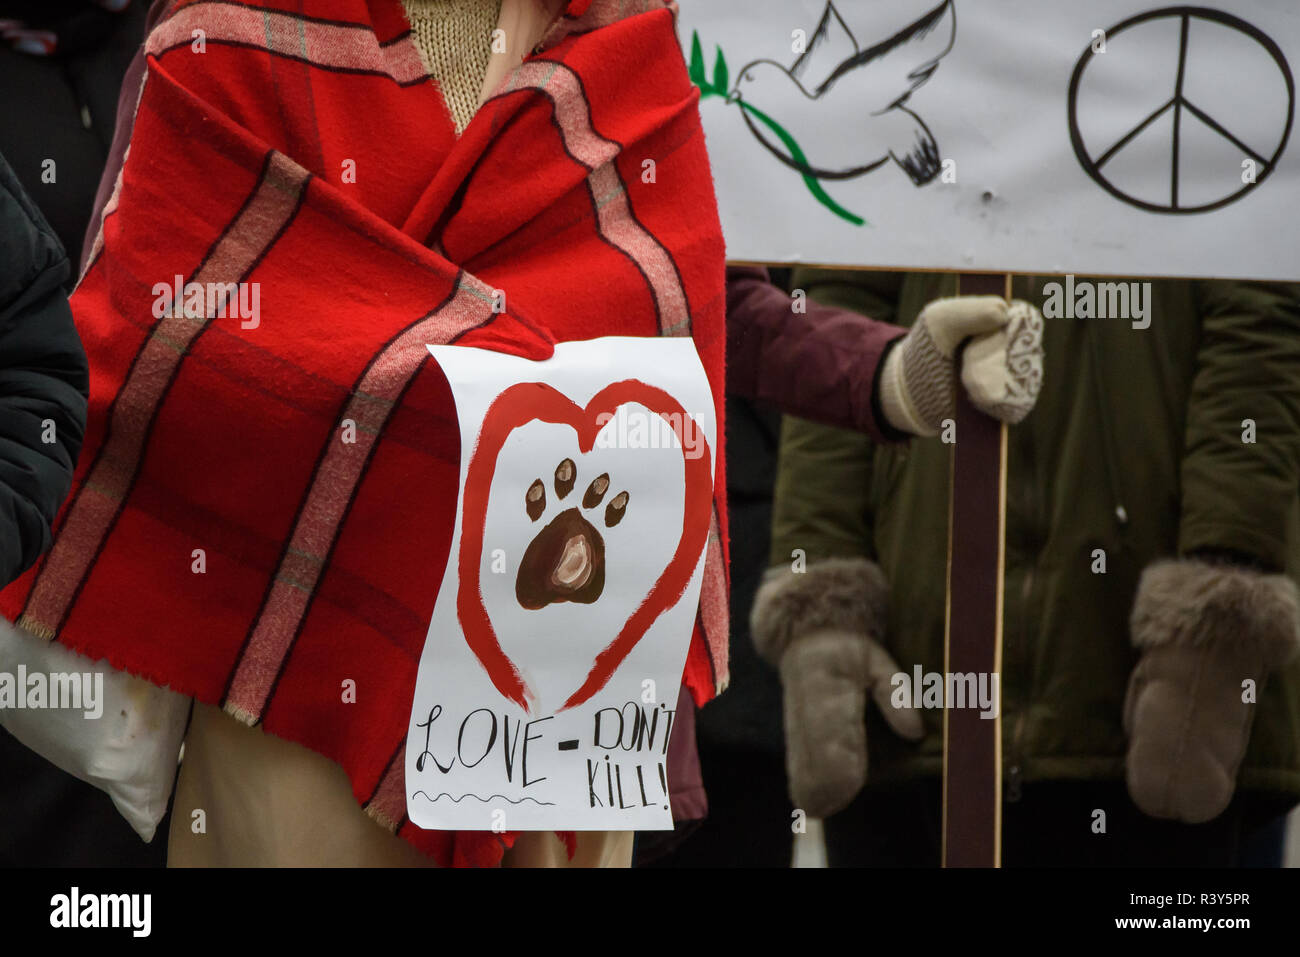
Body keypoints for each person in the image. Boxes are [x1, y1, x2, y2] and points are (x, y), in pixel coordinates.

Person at [754, 268, 1300, 867]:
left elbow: (1260, 325)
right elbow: (837, 300)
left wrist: (1219, 597)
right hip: (914, 664)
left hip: (1131, 669)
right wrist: (822, 595)